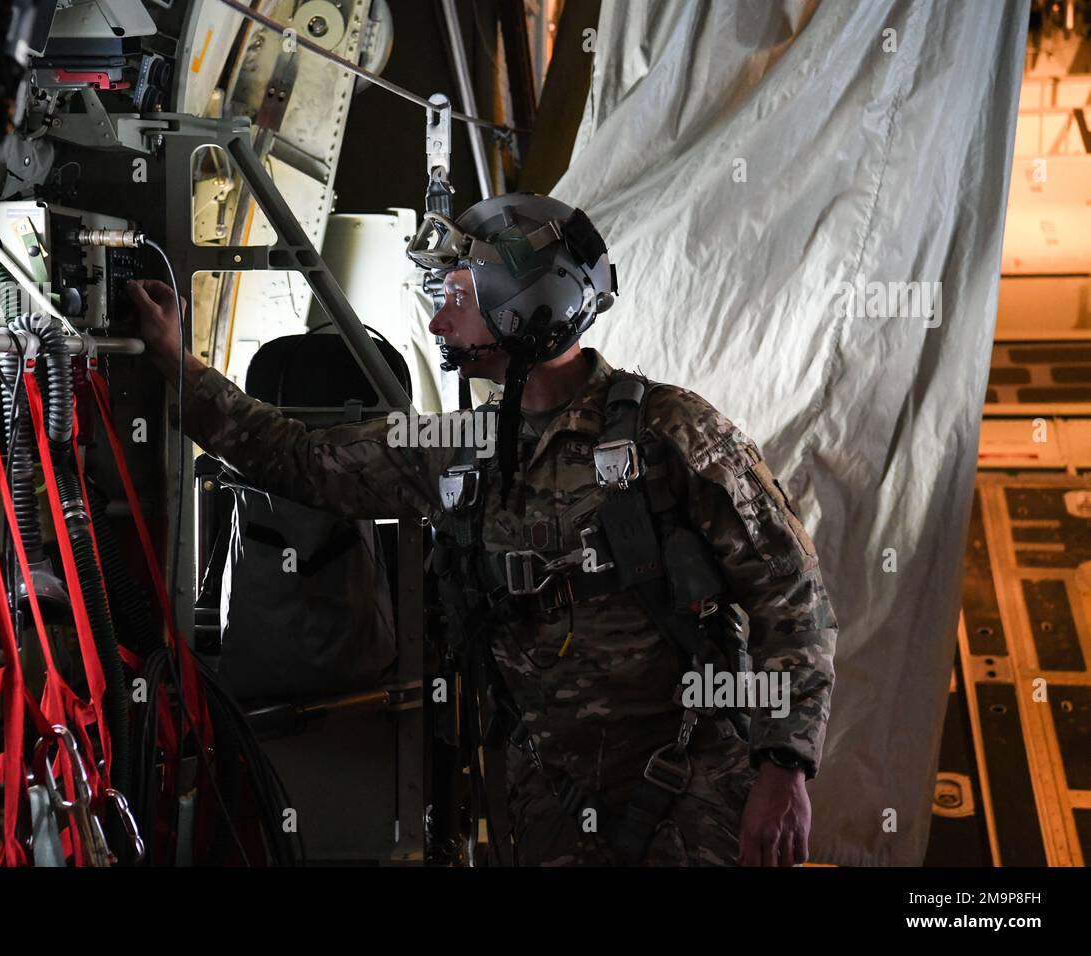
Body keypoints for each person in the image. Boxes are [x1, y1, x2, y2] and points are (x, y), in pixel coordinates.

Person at [127, 192, 838, 867]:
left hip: (693, 790)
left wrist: (784, 768)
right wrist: (173, 360)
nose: (439, 323)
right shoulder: (458, 448)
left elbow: (791, 596)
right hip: (546, 800)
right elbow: (298, 459)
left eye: (458, 298)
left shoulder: (672, 432)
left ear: (528, 305)